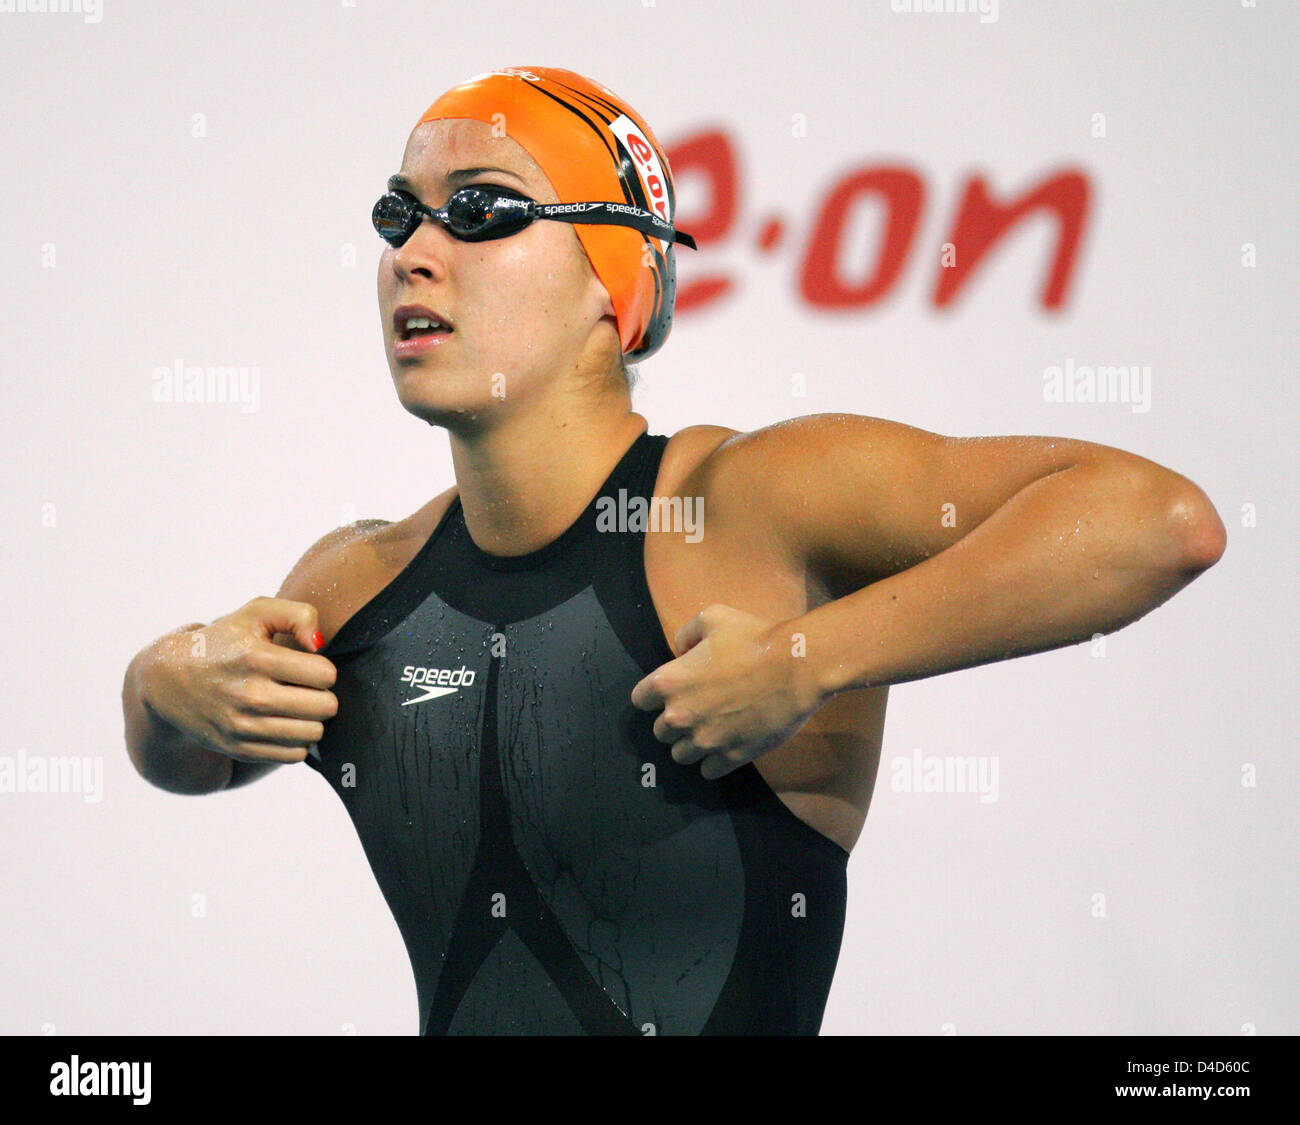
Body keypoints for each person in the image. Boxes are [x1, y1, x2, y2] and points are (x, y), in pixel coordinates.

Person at [121, 66, 1227, 1035]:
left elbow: (1156, 521)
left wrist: (808, 660)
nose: (413, 252)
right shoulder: (358, 578)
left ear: (616, 281)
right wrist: (162, 683)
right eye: (396, 215)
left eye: (481, 211)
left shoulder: (755, 504)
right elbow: (196, 764)